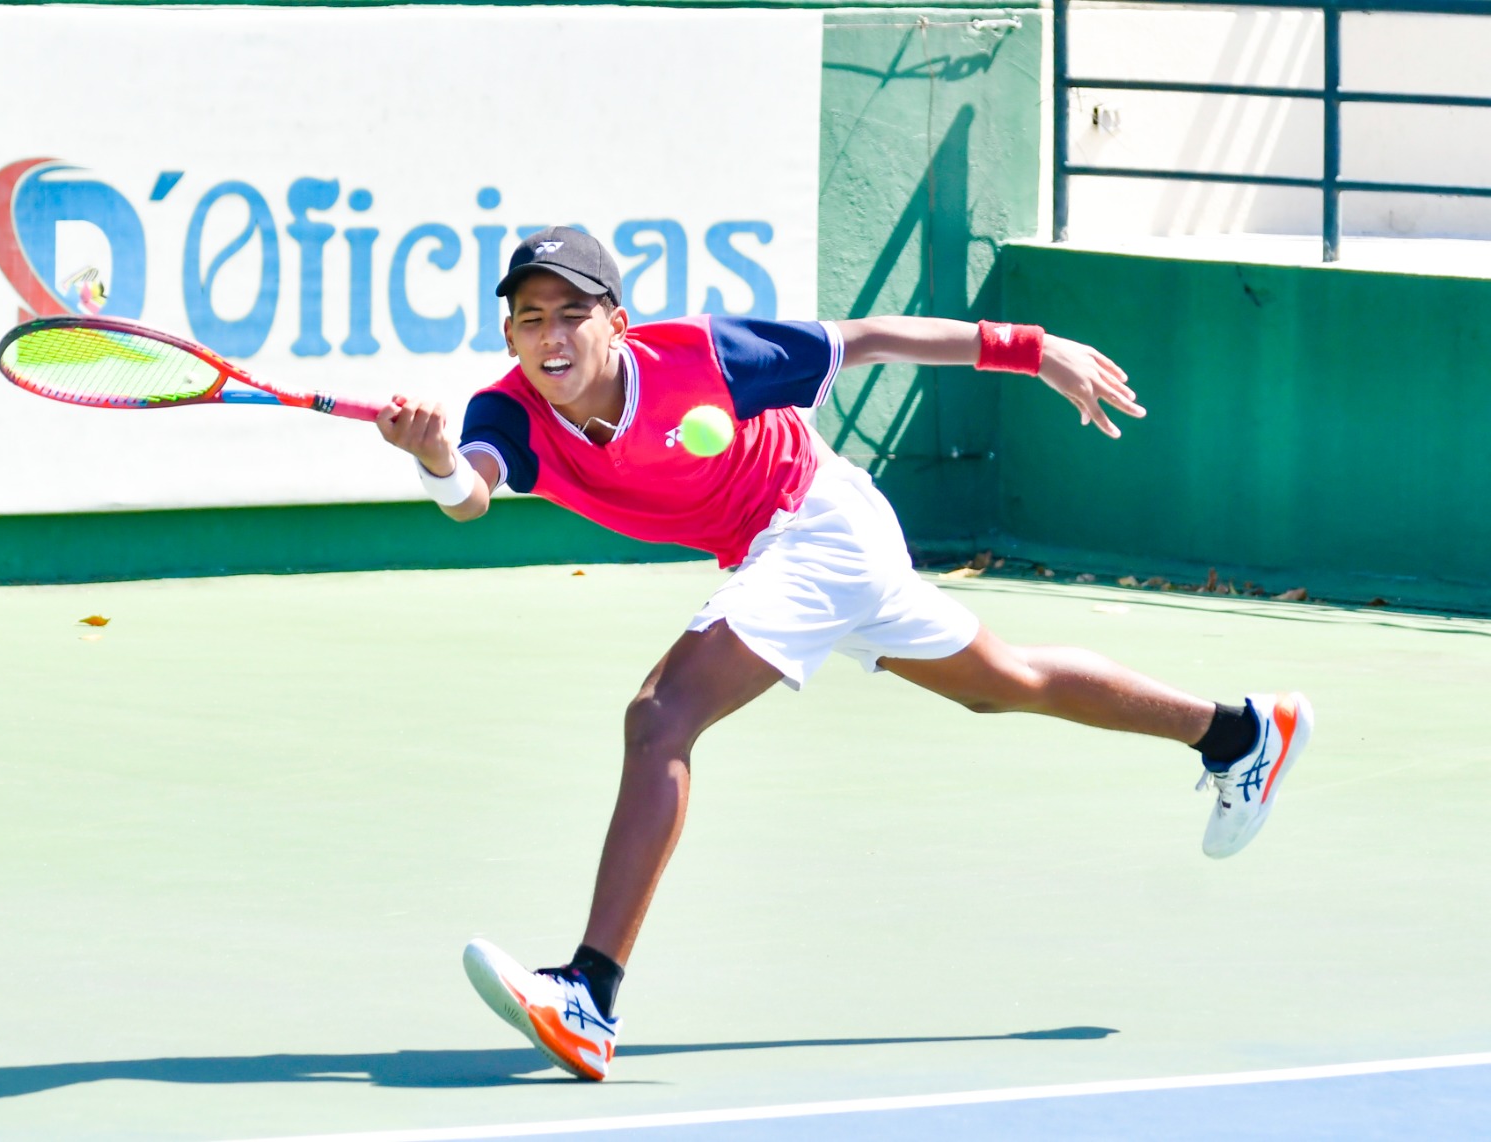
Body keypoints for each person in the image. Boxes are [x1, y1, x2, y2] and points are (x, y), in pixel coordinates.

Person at [376, 226, 1313, 1082]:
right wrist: (433, 458)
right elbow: (470, 493)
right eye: (530, 319)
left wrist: (1033, 351)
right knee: (1003, 684)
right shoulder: (506, 411)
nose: (553, 336)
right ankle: (1237, 733)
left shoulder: (699, 356)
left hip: (816, 519)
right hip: (780, 546)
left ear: (615, 322)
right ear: (509, 339)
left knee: (661, 718)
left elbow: (866, 338)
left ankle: (590, 994)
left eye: (573, 314)